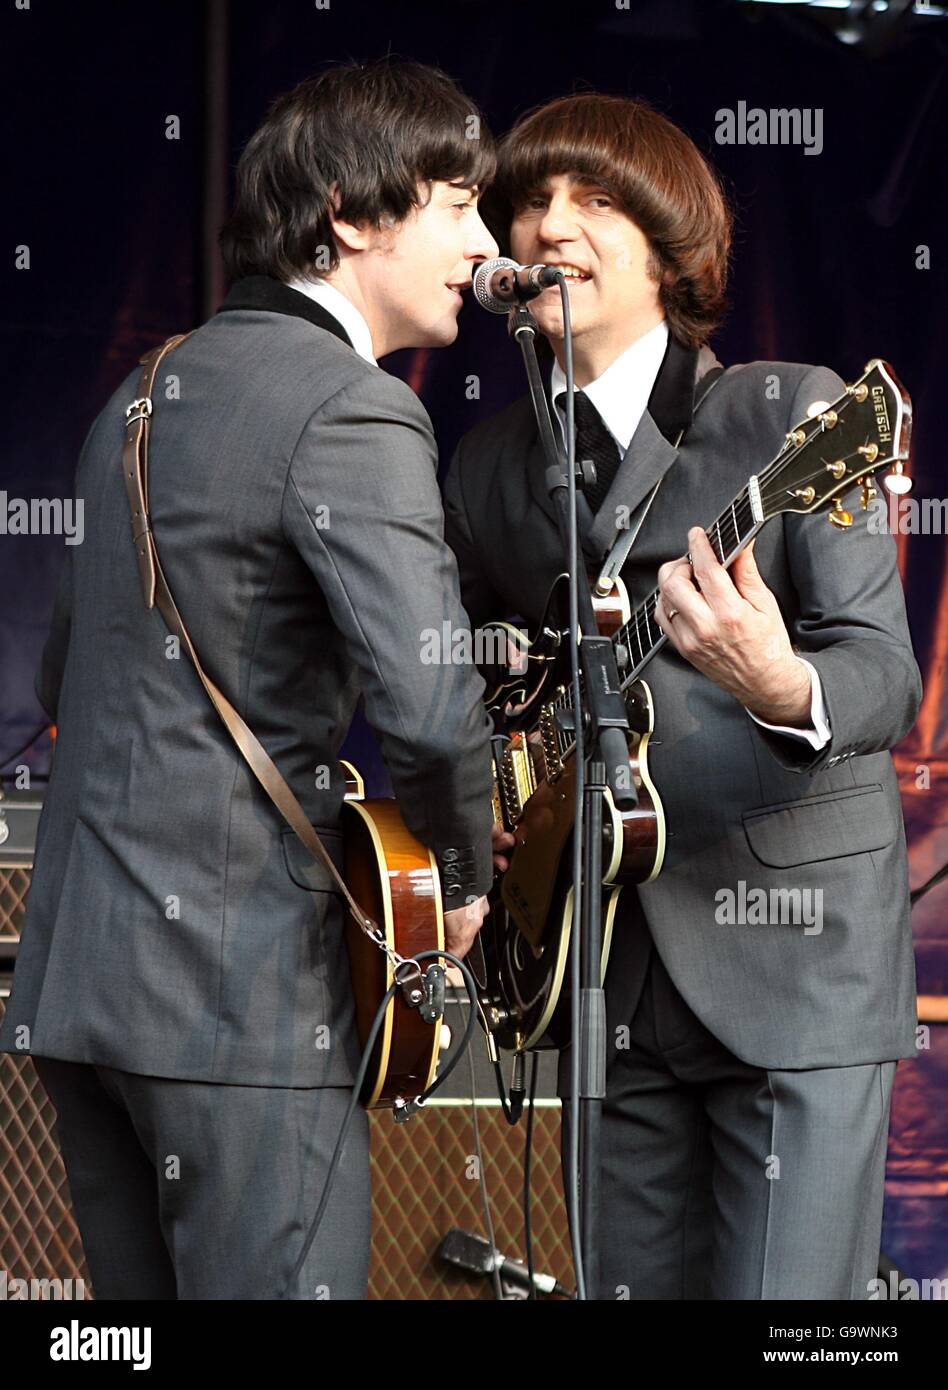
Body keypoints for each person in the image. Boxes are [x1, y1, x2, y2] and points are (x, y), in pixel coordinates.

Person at [0, 58, 503, 1300]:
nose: (482, 242)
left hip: (80, 987)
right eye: (454, 201)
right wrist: (465, 884)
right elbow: (434, 708)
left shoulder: (139, 391)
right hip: (238, 997)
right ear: (347, 213)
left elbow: (70, 665)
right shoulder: (354, 408)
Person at [443, 92, 922, 1300]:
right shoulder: (492, 465)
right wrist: (501, 791)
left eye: (596, 201)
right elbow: (465, 677)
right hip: (599, 969)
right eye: (534, 200)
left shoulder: (795, 412)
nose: (553, 225)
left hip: (794, 969)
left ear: (672, 253)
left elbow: (881, 671)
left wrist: (779, 679)